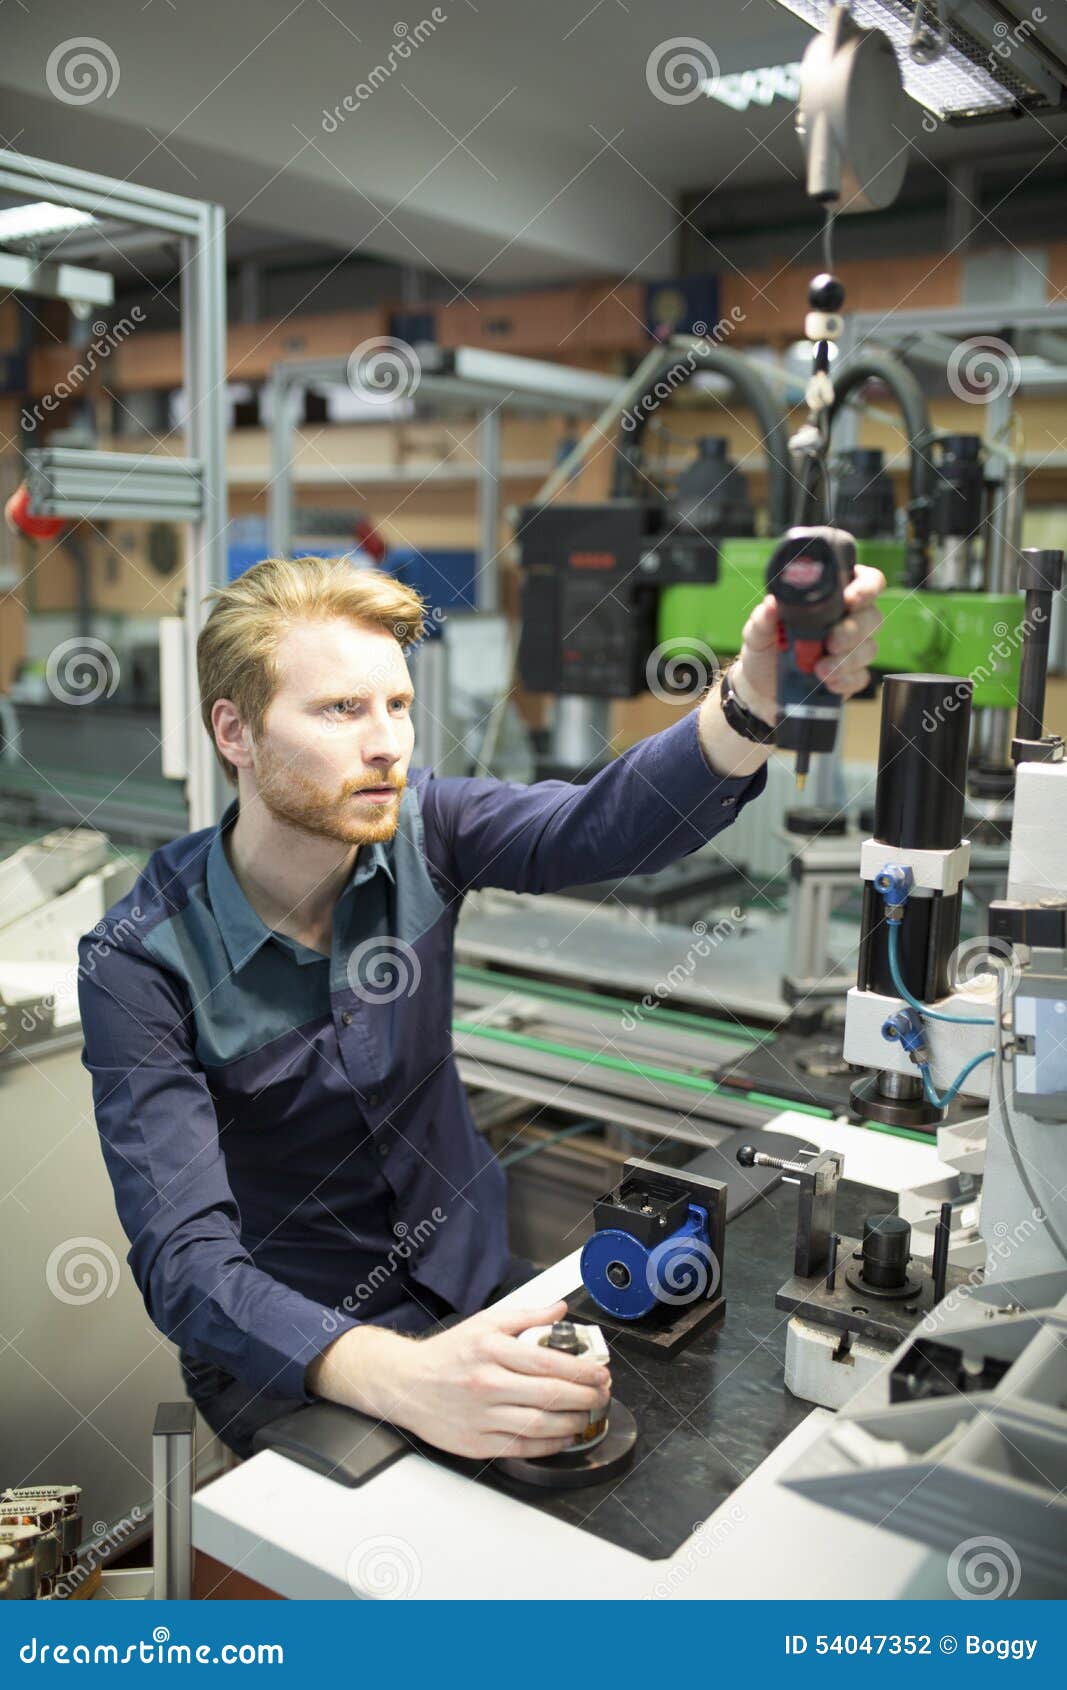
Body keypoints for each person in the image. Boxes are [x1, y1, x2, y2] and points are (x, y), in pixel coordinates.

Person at [79, 554, 883, 1460]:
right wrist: (403, 1375)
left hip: (473, 1284)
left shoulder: (426, 828)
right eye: (340, 709)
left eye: (396, 705)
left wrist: (753, 697)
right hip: (294, 1356)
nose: (386, 743)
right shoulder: (140, 962)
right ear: (235, 731)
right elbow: (185, 1264)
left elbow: (601, 825)